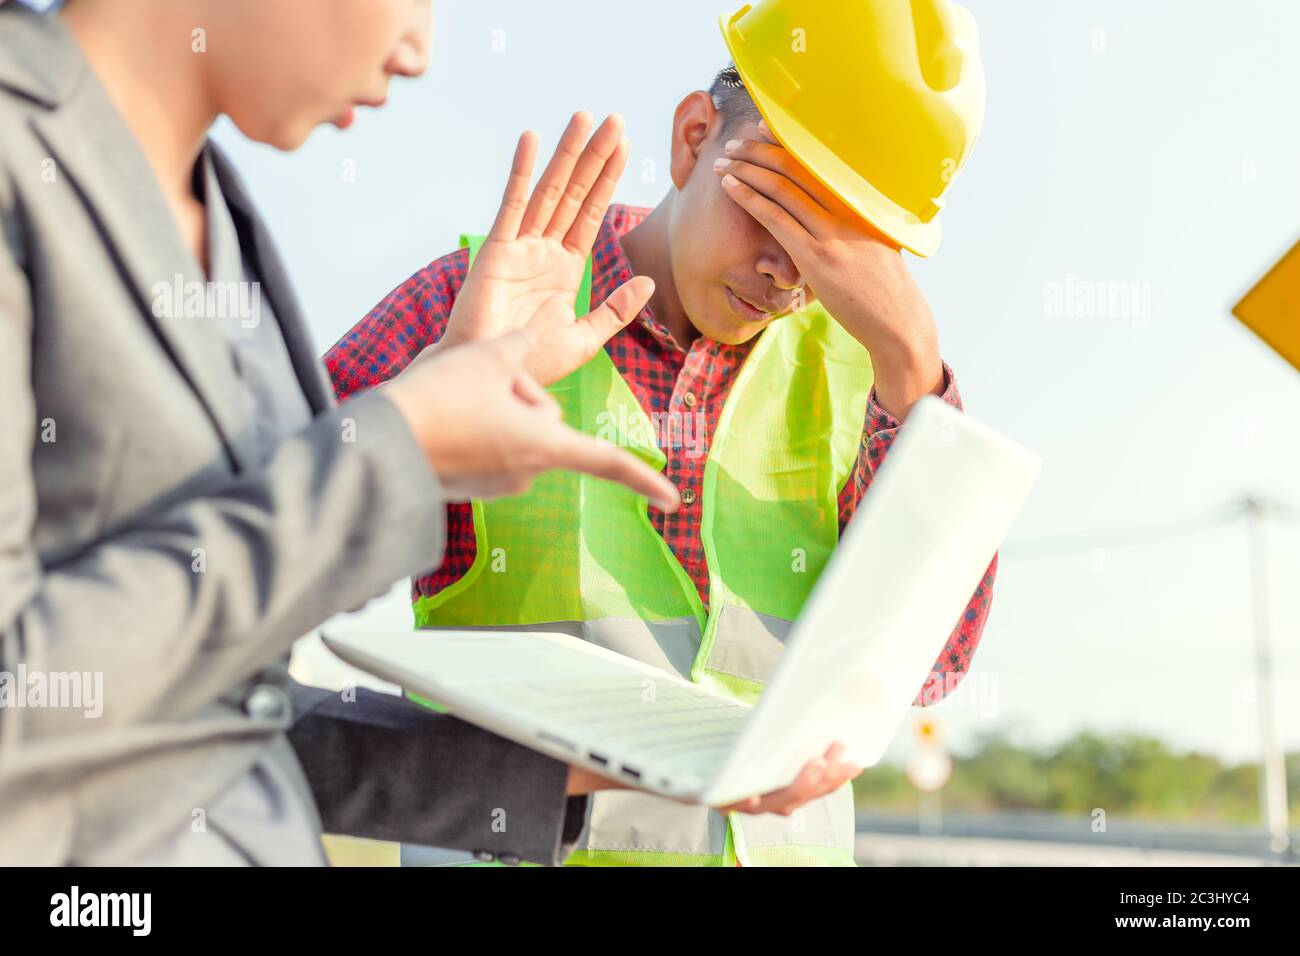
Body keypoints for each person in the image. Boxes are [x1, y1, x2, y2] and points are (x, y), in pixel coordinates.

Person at [0, 0, 856, 866]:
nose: (419, 51)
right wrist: (403, 445)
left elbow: (223, 717)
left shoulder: (220, 223)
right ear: (693, 138)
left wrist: (594, 771)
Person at [326, 0, 994, 866]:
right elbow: (262, 542)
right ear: (692, 137)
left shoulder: (874, 385)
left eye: (841, 246)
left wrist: (916, 380)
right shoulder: (485, 305)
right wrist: (438, 396)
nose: (786, 274)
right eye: (780, 210)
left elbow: (930, 670)